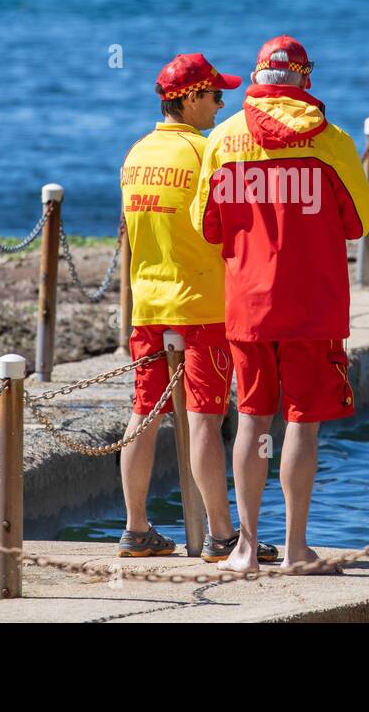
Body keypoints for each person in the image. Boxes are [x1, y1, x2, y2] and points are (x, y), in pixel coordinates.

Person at [191, 35, 369, 572]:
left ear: (256, 78)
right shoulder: (334, 141)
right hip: (313, 304)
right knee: (303, 423)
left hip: (247, 302)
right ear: (305, 79)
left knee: (251, 422)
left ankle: (245, 549)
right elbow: (360, 223)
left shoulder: (224, 139)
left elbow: (206, 226)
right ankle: (296, 547)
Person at [116, 52, 278, 564]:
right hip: (203, 306)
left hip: (149, 305)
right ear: (188, 98)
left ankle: (135, 528)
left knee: (143, 413)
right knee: (205, 417)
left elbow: (129, 236)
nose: (221, 104)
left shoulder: (137, 153)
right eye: (214, 95)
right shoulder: (206, 153)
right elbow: (233, 225)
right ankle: (222, 534)